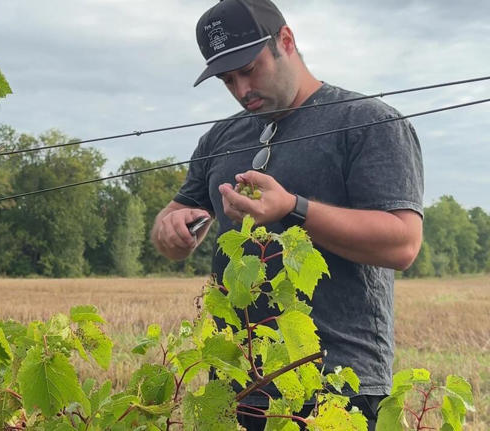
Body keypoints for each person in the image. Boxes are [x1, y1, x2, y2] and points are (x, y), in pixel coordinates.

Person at [150, 0, 424, 429]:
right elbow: (180, 211)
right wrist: (169, 230)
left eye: (249, 69)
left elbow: (403, 243)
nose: (241, 90)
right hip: (236, 385)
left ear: (286, 41)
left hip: (336, 387)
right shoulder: (220, 138)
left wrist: (293, 208)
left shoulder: (368, 122)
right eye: (227, 79)